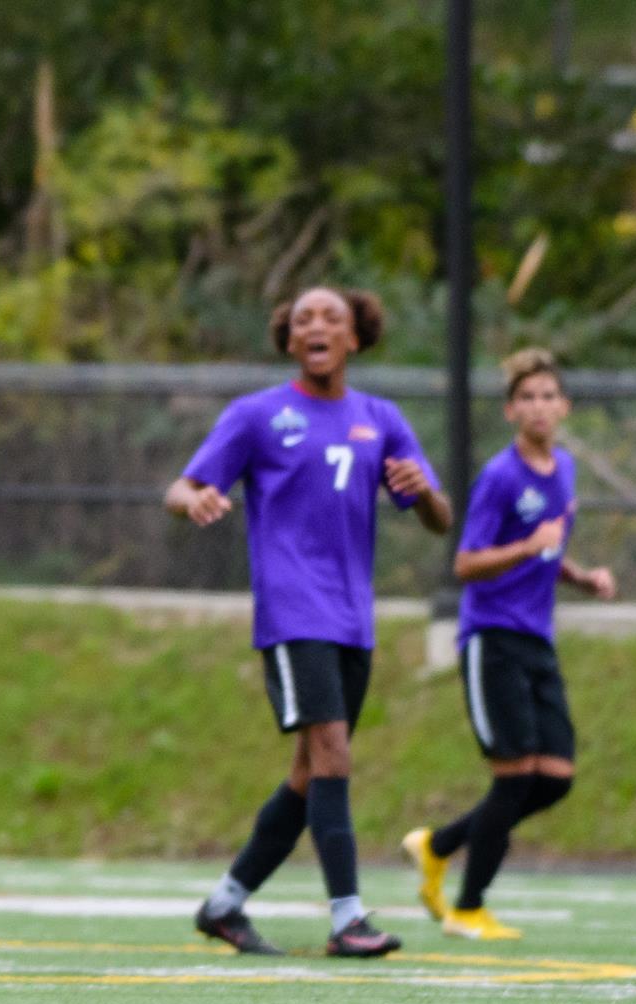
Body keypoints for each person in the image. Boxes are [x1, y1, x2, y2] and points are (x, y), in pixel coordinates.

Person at [166, 286, 452, 958]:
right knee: (333, 754)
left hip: (355, 618)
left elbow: (440, 519)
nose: (316, 326)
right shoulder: (257, 415)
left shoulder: (381, 419)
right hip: (294, 612)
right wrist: (196, 499)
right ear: (289, 339)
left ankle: (225, 904)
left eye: (331, 318)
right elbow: (178, 489)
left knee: (308, 774)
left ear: (356, 336)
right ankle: (348, 918)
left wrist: (424, 492)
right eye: (303, 319)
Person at [403, 349, 615, 939]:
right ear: (510, 411)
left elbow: (548, 546)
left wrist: (580, 576)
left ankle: (439, 844)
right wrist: (527, 547)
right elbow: (467, 563)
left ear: (564, 406)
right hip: (491, 638)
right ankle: (468, 909)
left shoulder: (565, 469)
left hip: (537, 639)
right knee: (515, 777)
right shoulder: (500, 476)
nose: (540, 407)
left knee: (556, 777)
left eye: (550, 395)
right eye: (528, 398)